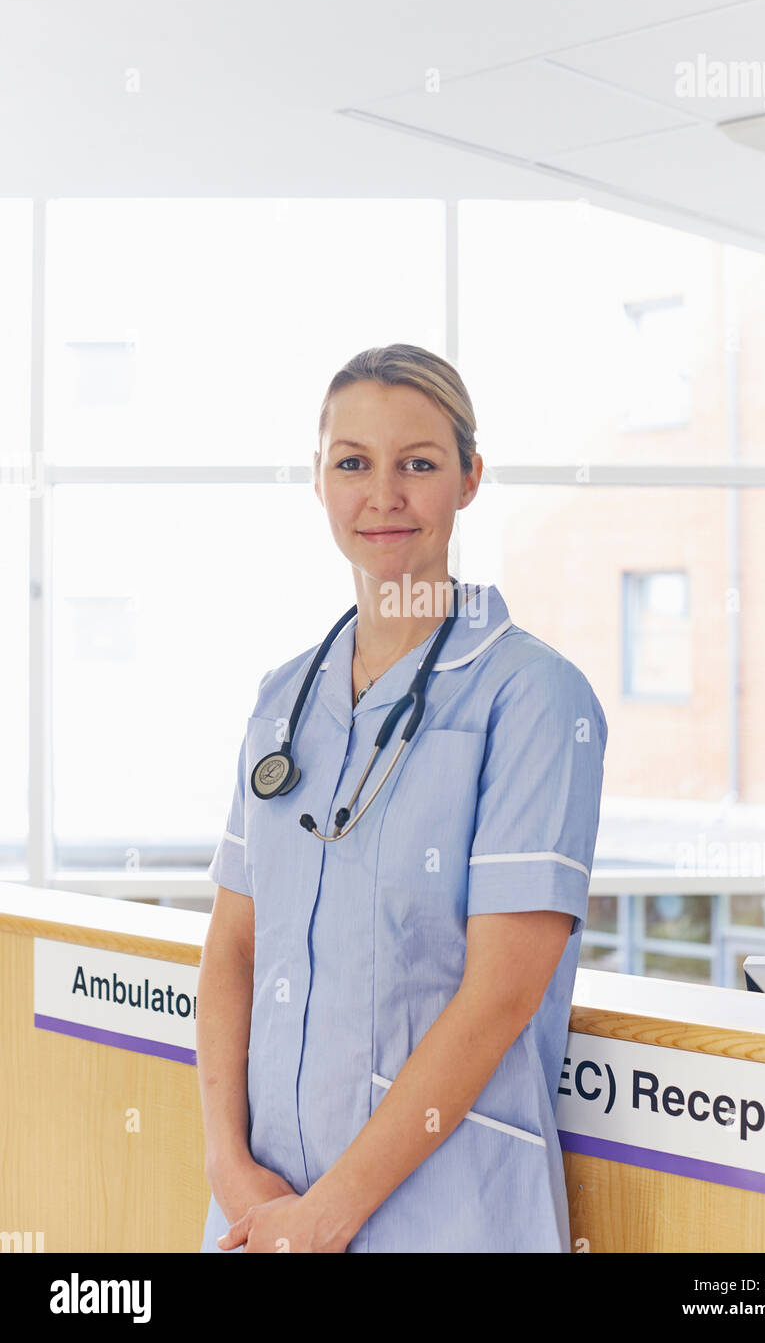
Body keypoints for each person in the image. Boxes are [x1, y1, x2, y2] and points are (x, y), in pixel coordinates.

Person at [197, 342, 607, 1253]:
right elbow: (232, 945)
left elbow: (501, 993)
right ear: (318, 480)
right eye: (353, 463)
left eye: (417, 463)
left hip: (445, 1208)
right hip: (263, 1210)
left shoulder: (534, 698)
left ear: (467, 479)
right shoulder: (283, 697)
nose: (382, 494)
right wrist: (230, 1172)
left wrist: (328, 1216)